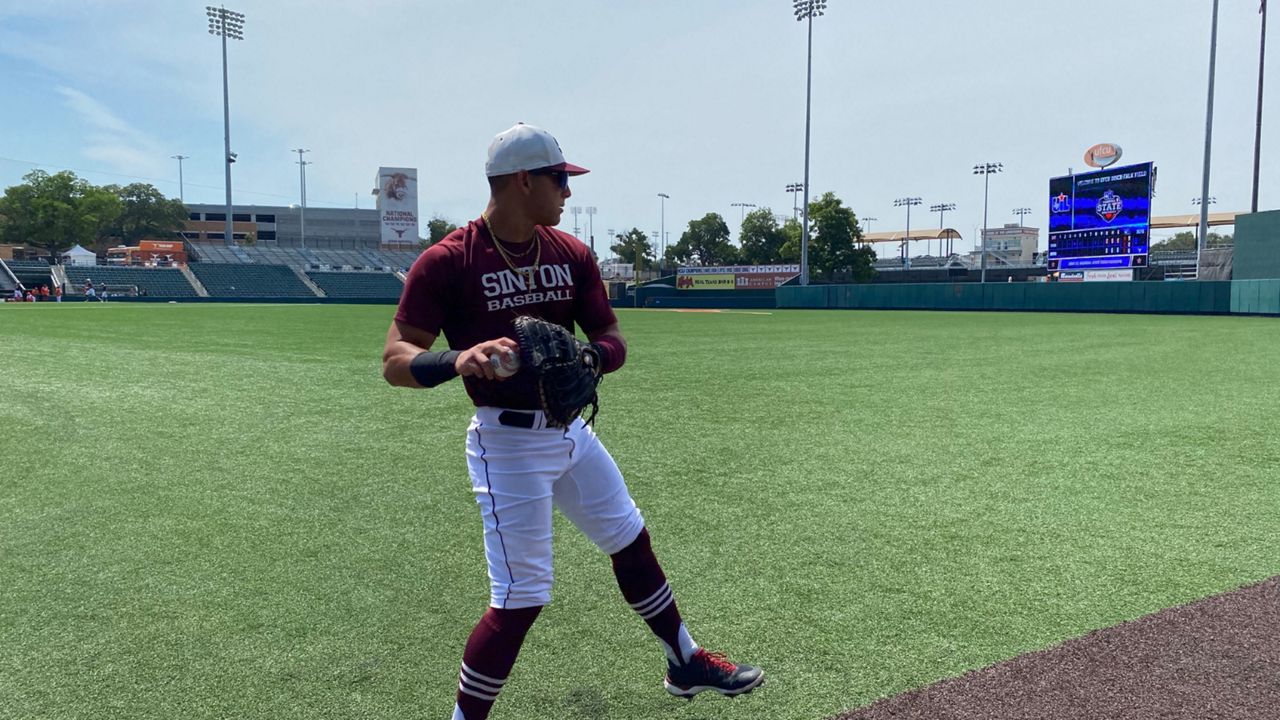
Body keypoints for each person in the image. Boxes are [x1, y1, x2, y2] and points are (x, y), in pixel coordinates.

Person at [382, 123, 762, 720]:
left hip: (570, 431)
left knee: (630, 541)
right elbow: (395, 360)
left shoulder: (572, 254)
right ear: (523, 180)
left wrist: (591, 358)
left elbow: (611, 338)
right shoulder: (449, 261)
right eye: (560, 179)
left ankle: (683, 662)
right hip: (504, 442)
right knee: (521, 598)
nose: (568, 192)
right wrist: (460, 359)